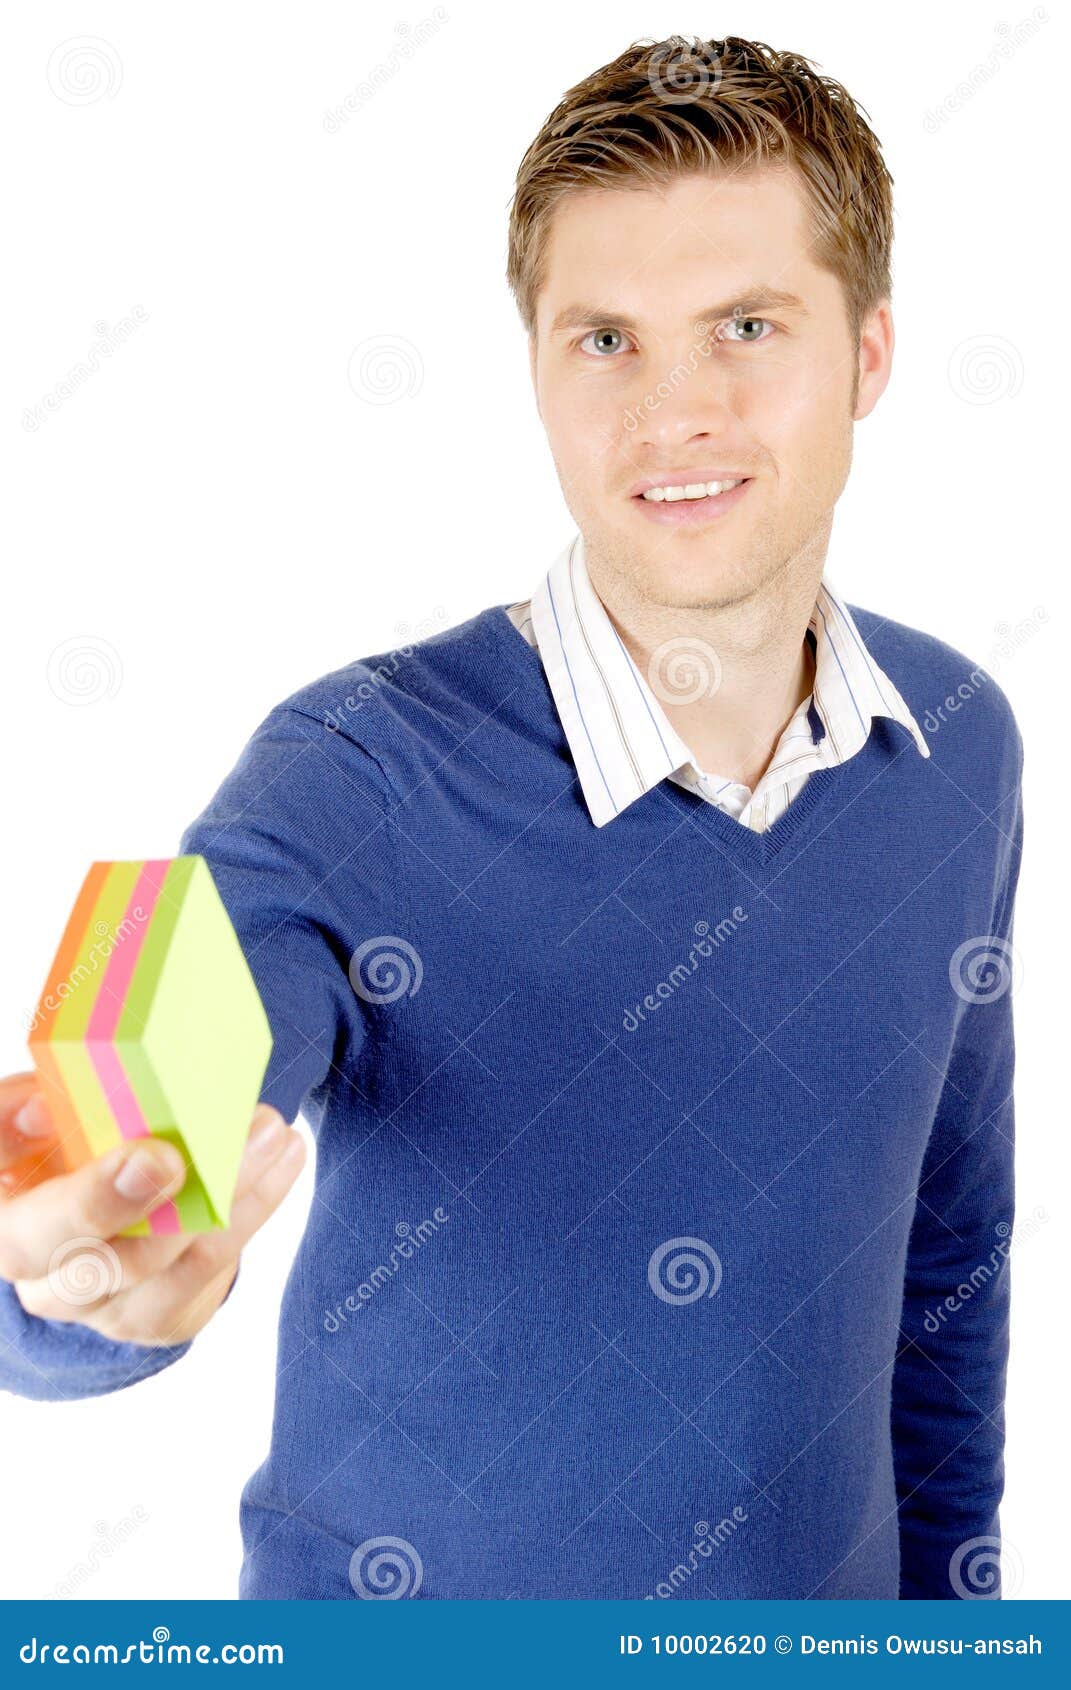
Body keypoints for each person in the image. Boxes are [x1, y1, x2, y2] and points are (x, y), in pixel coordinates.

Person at [0, 35, 1024, 1601]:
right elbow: (117, 1142)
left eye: (747, 326)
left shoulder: (958, 749)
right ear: (537, 365)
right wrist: (79, 1275)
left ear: (870, 354)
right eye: (605, 339)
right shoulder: (345, 765)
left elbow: (948, 1261)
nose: (674, 412)